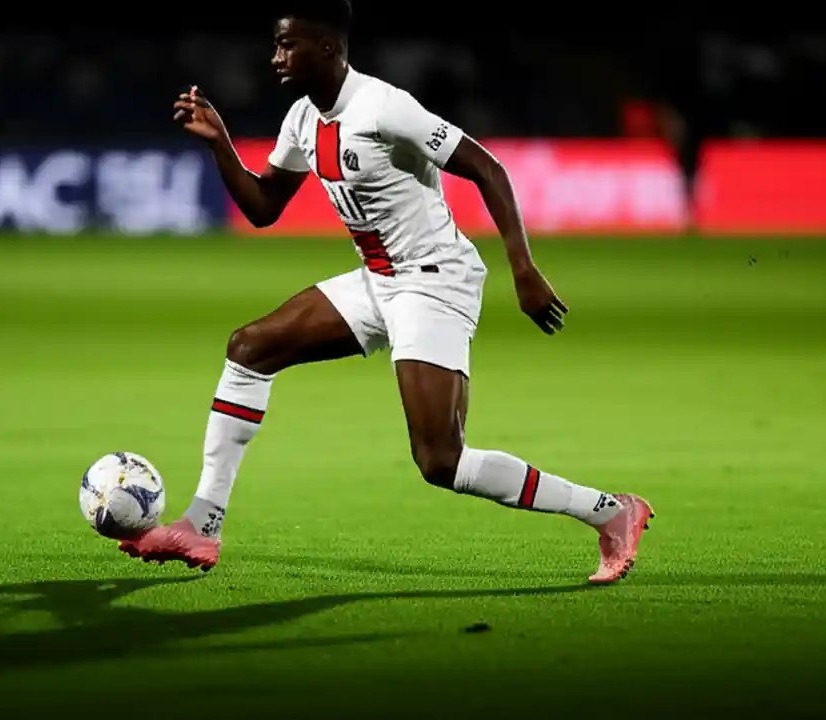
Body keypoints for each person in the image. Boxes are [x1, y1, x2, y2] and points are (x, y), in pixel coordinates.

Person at [117, 0, 654, 583]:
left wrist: (522, 269)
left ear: (327, 47)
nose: (275, 57)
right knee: (249, 348)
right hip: (380, 281)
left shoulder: (384, 107)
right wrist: (222, 143)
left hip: (433, 282)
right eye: (275, 45)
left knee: (440, 461)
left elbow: (488, 168)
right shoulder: (302, 119)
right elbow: (264, 207)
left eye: (286, 45)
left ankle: (610, 511)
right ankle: (203, 522)